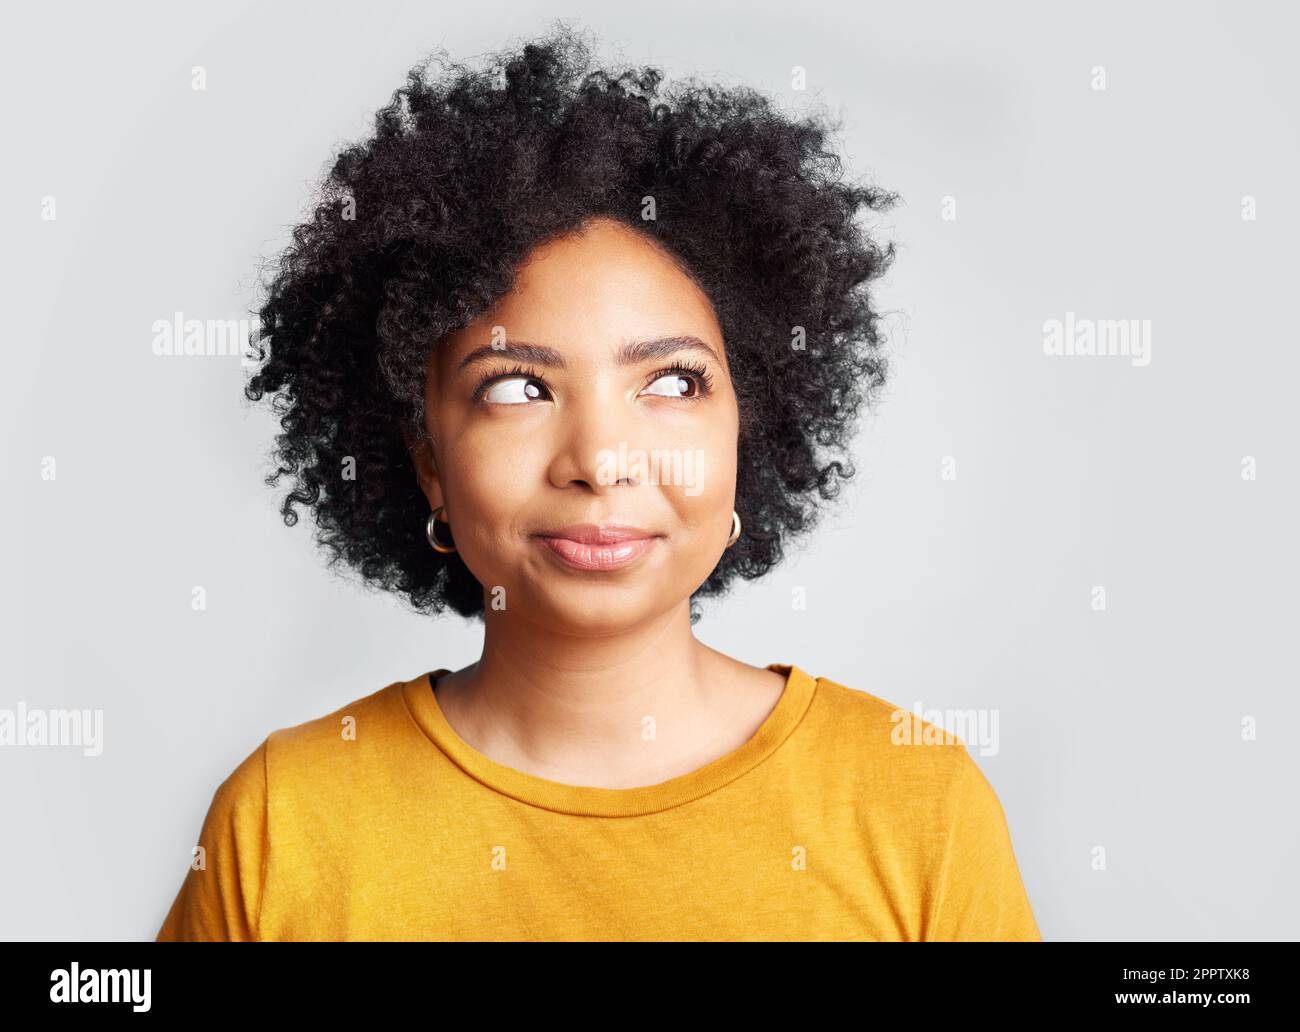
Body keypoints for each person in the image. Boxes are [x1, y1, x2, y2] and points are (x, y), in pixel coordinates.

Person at [156, 22, 1039, 942]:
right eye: (516, 388)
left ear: (749, 429)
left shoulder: (917, 803)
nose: (601, 459)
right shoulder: (283, 821)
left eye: (673, 384)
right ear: (428, 461)